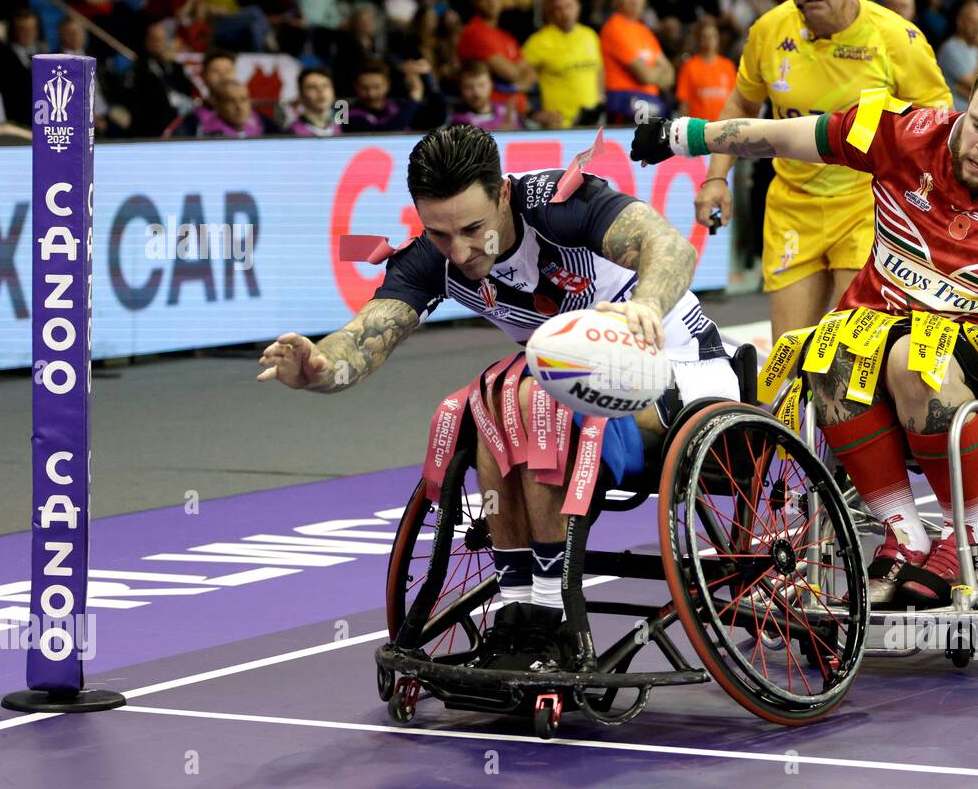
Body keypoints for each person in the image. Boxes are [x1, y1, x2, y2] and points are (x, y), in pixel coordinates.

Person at [631, 57, 978, 607]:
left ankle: (964, 537)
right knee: (827, 358)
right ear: (964, 108)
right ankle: (906, 538)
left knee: (910, 359)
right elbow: (791, 135)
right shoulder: (906, 135)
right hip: (869, 340)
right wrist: (687, 136)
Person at [257, 124, 738, 669]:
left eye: (473, 229)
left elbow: (667, 245)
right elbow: (364, 338)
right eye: (440, 234)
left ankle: (552, 612)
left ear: (503, 195)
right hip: (561, 398)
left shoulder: (560, 205)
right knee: (492, 406)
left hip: (678, 373)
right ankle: (519, 615)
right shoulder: (431, 258)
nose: (460, 251)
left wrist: (646, 304)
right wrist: (316, 370)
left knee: (534, 399)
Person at [697, 0, 951, 342]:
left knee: (850, 349)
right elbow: (742, 102)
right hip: (792, 205)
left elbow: (938, 119)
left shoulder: (896, 38)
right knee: (787, 355)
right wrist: (716, 178)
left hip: (868, 206)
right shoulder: (768, 31)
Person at [521, 0, 604, 128]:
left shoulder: (590, 35)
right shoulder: (538, 42)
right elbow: (518, 84)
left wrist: (600, 97)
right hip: (559, 127)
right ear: (551, 12)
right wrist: (533, 113)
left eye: (569, 6)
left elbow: (599, 69)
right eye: (559, 9)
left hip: (593, 124)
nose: (565, 13)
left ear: (578, 6)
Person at [458, 0, 536, 120]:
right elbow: (511, 74)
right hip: (491, 119)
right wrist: (519, 78)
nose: (492, 1)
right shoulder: (475, 33)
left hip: (518, 113)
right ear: (474, 1)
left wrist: (516, 84)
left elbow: (531, 73)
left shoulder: (505, 36)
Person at [600, 0, 675, 123]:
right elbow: (645, 75)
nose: (634, 0)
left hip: (651, 104)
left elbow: (671, 74)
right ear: (616, 0)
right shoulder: (614, 28)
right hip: (625, 105)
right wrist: (657, 73)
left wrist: (653, 74)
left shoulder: (644, 31)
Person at [674, 19, 737, 122]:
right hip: (698, 129)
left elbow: (734, 101)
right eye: (705, 36)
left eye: (713, 36)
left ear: (718, 38)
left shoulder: (728, 66)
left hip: (723, 126)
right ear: (699, 39)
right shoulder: (689, 66)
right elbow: (684, 103)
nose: (709, 40)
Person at [938, 0, 978, 112]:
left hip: (972, 112)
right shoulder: (951, 48)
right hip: (955, 116)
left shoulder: (976, 48)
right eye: (974, 22)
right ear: (960, 22)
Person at [196, 80, 280, 138]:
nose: (239, 107)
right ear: (218, 105)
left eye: (243, 99)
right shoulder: (212, 136)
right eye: (231, 101)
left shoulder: (258, 123)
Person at [451, 61, 518, 131]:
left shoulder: (505, 111)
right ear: (460, 88)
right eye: (468, 87)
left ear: (491, 84)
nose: (476, 93)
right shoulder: (457, 119)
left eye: (481, 85)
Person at [287, 66, 342, 136]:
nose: (320, 91)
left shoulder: (345, 127)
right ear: (301, 95)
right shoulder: (292, 132)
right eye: (312, 87)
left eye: (325, 86)